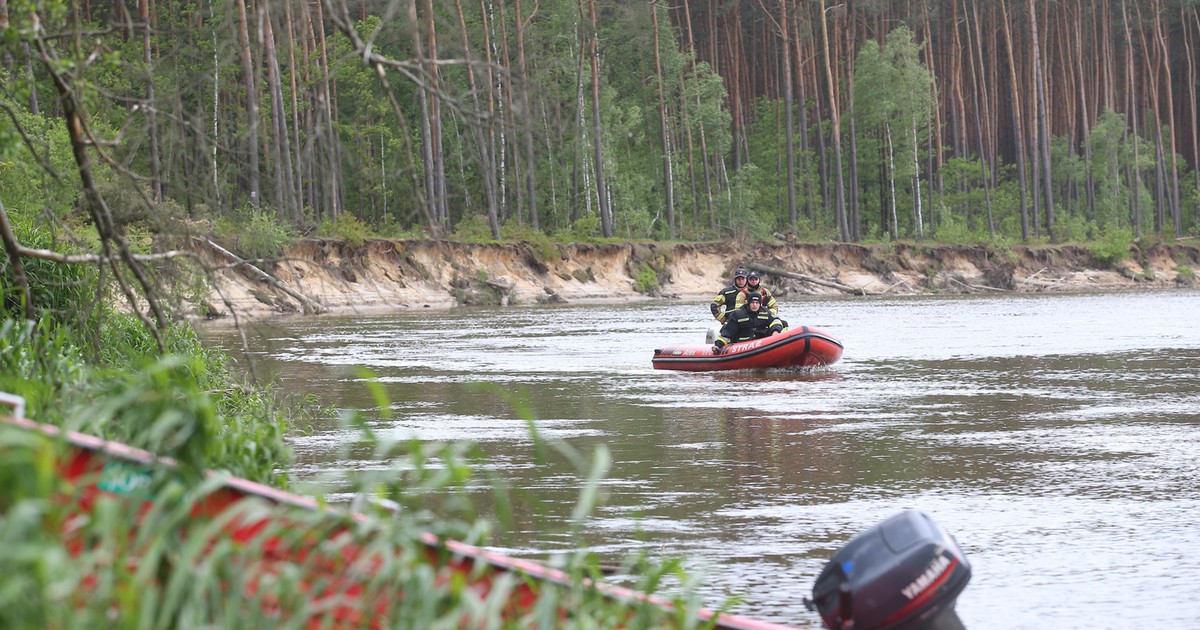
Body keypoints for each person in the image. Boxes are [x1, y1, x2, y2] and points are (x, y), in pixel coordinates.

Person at [712, 293, 783, 354]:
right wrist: (718, 345)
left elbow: (775, 321)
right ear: (748, 303)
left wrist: (775, 331)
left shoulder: (766, 312)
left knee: (784, 324)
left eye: (757, 303)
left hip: (762, 342)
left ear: (760, 304)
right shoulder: (738, 314)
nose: (755, 305)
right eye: (752, 302)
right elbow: (728, 332)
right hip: (743, 345)